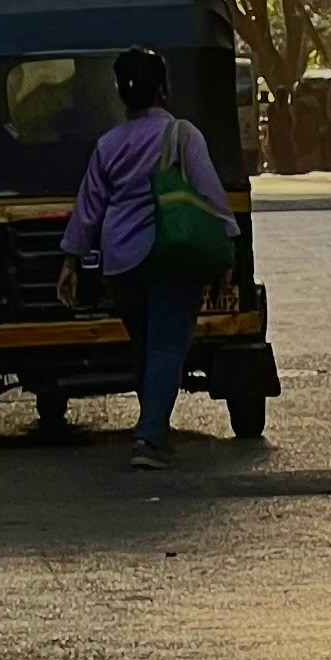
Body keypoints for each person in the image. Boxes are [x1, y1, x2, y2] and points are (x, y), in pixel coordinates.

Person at [55, 45, 234, 472]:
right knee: (169, 347)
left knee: (148, 348)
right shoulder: (183, 135)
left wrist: (71, 260)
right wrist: (228, 250)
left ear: (122, 93)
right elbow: (211, 193)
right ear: (164, 90)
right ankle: (150, 437)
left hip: (123, 260)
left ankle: (154, 429)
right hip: (176, 251)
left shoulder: (108, 143)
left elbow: (89, 206)